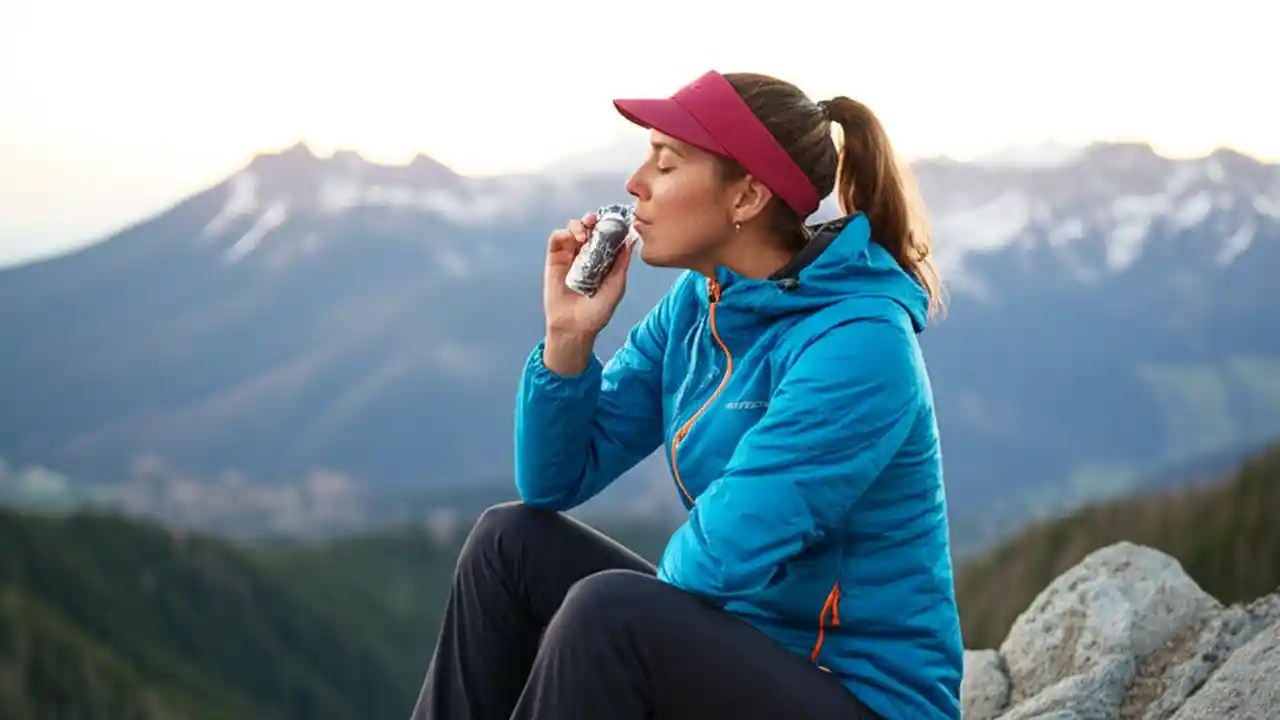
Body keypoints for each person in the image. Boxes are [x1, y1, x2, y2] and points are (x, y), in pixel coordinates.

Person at [411, 69, 963, 720]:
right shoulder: (699, 309)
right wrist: (567, 337)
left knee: (608, 616)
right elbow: (551, 482)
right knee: (507, 542)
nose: (634, 183)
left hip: (855, 696)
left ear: (748, 196)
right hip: (748, 652)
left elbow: (716, 561)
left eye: (666, 164)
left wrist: (622, 651)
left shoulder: (860, 346)